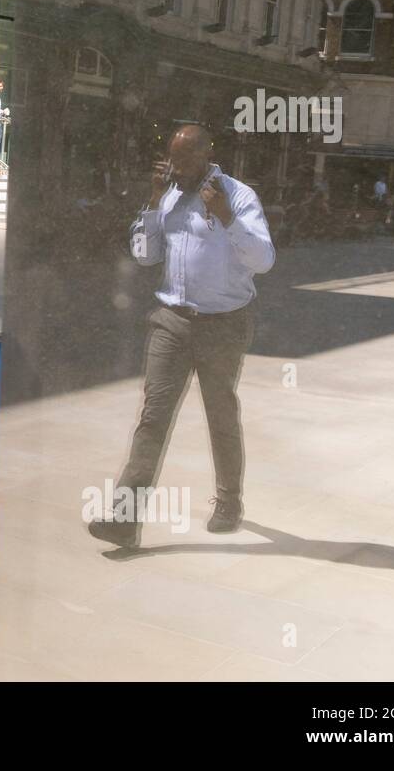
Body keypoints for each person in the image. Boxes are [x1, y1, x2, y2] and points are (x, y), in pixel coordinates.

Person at [88, 125, 275, 548]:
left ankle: (229, 501)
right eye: (173, 159)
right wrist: (154, 203)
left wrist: (227, 217)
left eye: (186, 160)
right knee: (152, 418)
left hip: (223, 324)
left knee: (220, 414)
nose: (177, 169)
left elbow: (263, 260)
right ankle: (124, 519)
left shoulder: (238, 196)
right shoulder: (169, 194)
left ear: (207, 154)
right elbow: (143, 254)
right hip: (171, 322)